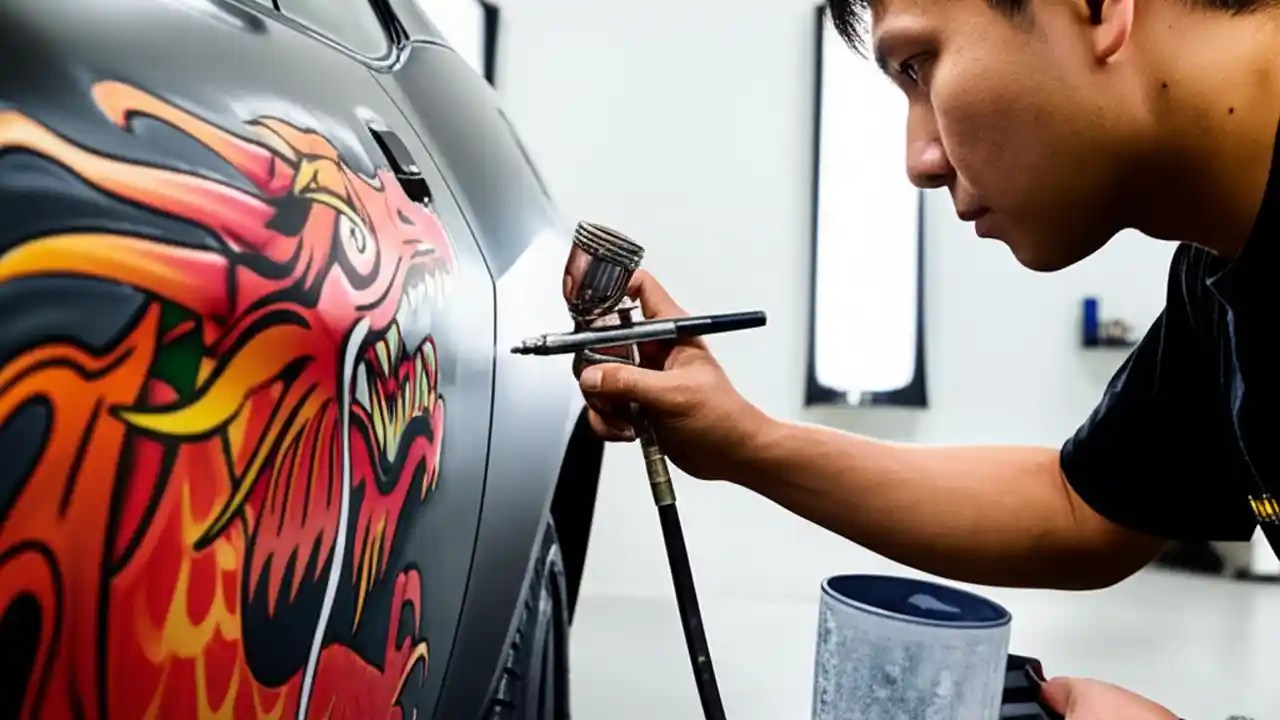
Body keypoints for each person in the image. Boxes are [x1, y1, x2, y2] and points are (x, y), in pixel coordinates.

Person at [575, 0, 1280, 717]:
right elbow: (1087, 511)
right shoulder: (1216, 271)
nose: (920, 160)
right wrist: (743, 441)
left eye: (918, 65)